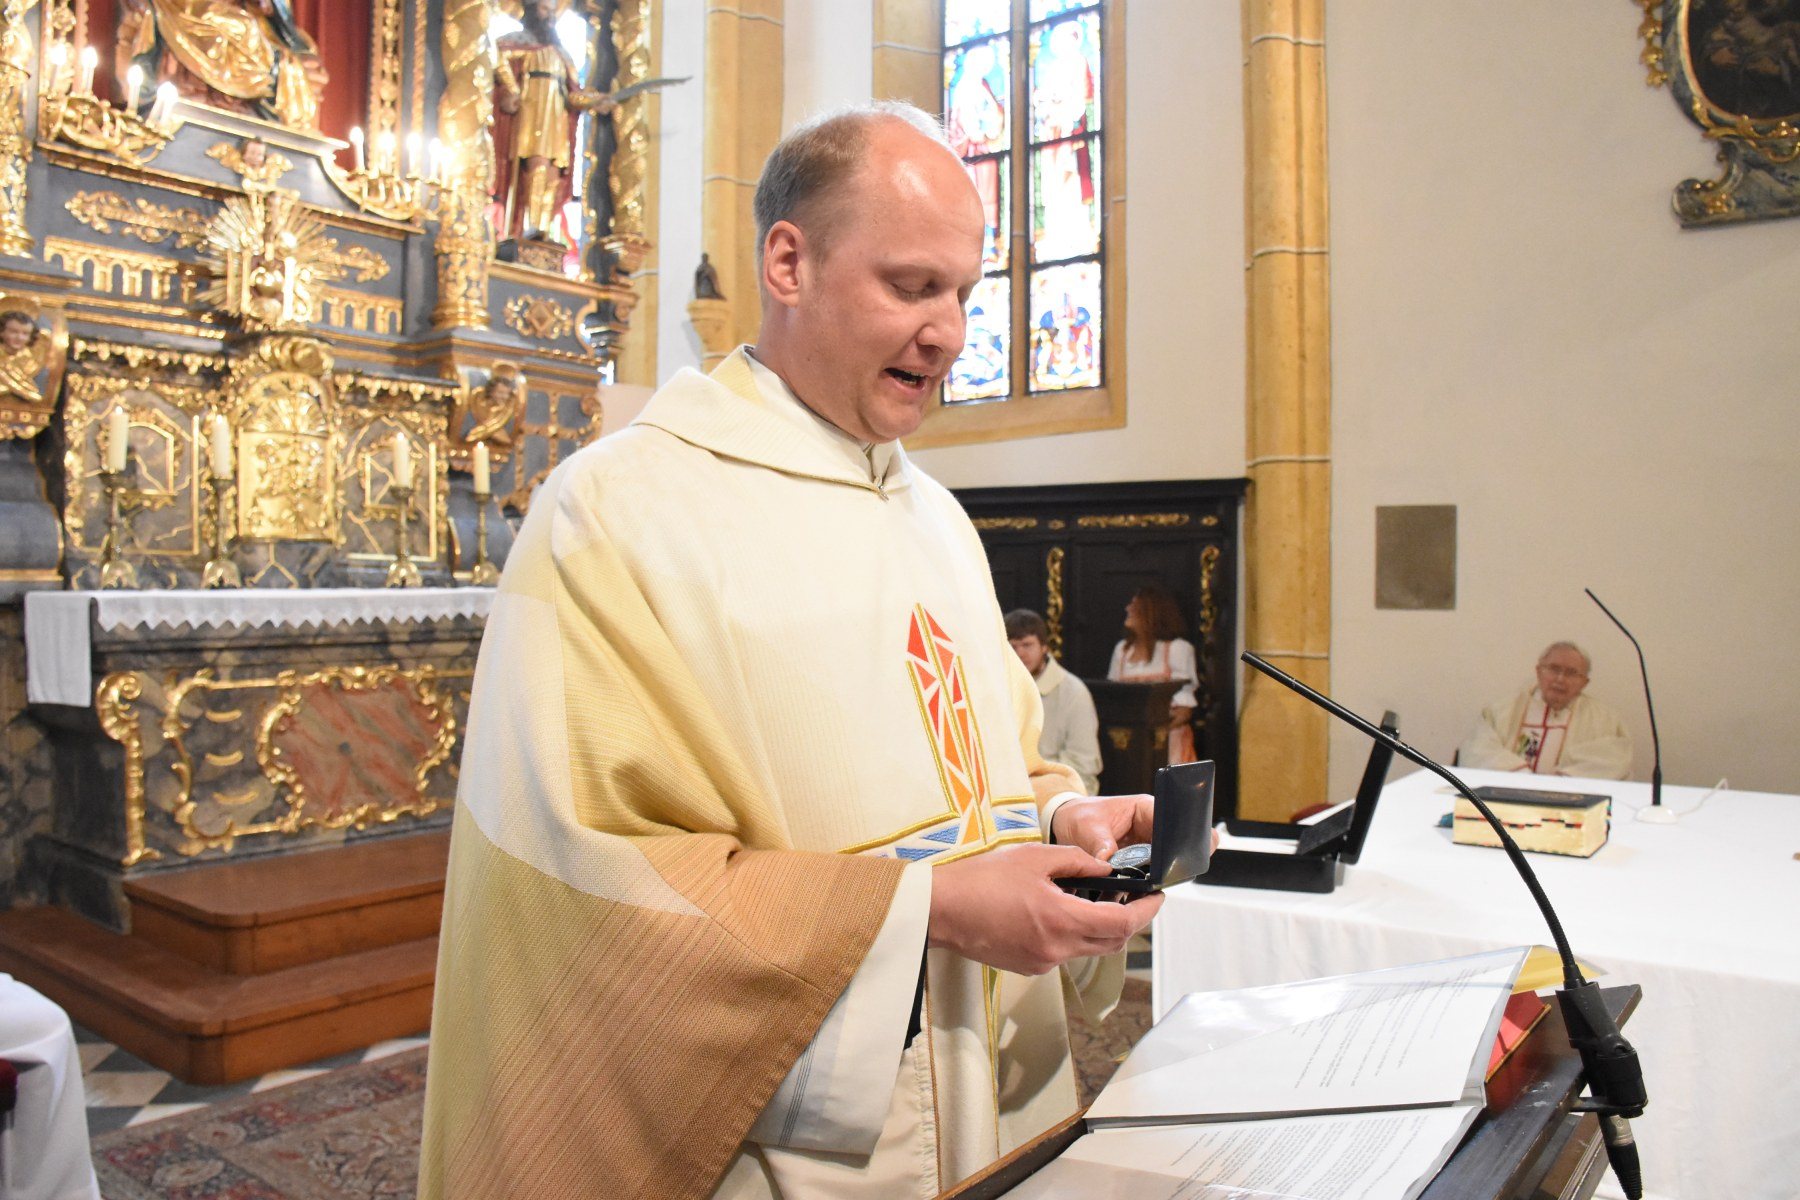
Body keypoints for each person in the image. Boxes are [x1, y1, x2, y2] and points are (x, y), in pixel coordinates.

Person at [420, 101, 1162, 1200]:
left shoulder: (936, 520)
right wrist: (939, 910)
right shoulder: (622, 514)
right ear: (788, 262)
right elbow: (591, 885)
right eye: (912, 286)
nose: (951, 331)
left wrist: (1064, 816)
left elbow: (996, 759)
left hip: (986, 1080)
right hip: (802, 1141)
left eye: (964, 292)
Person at [492, 0, 614, 242]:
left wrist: (595, 100)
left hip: (555, 117)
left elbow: (573, 94)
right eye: (543, 10)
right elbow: (498, 60)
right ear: (530, 10)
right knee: (535, 166)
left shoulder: (562, 54)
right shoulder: (515, 42)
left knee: (552, 175)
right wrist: (512, 89)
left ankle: (544, 230)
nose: (549, 16)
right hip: (531, 111)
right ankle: (526, 227)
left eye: (552, 12)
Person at [116, 0, 328, 128]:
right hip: (194, 10)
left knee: (250, 33)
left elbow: (282, 22)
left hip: (239, 19)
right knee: (237, 28)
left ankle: (240, 93)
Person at [1457, 641, 1633, 780]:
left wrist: (1560, 781)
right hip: (1508, 795)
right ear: (1539, 671)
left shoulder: (1606, 719)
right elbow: (1478, 751)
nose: (1560, 679)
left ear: (1584, 682)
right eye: (1554, 669)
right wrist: (1522, 777)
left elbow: (1615, 760)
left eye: (1571, 673)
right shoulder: (1500, 711)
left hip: (1570, 802)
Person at [1006, 609, 1102, 794]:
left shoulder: (1073, 691)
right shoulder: (998, 686)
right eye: (1013, 647)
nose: (1020, 654)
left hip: (1062, 793)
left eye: (1027, 645)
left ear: (1044, 647)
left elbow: (1083, 763)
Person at [1107, 584, 1200, 764]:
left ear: (1151, 611)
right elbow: (1113, 698)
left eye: (1134, 605)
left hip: (1167, 743)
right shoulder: (1122, 650)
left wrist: (1151, 727)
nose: (1127, 608)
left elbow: (1183, 710)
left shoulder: (1177, 649)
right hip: (1128, 744)